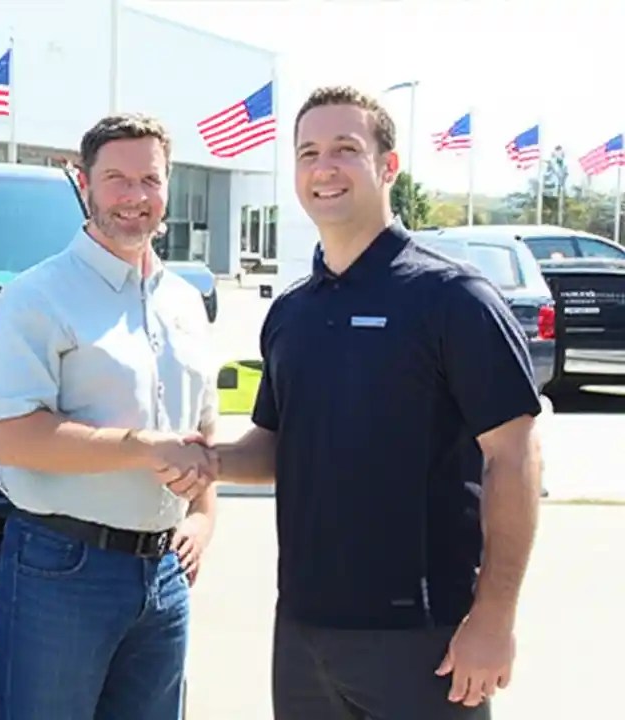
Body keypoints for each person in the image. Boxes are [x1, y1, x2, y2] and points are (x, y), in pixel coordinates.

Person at [211, 85, 544, 719]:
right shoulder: (291, 313)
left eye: (346, 149)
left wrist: (494, 616)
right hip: (303, 634)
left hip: (425, 637)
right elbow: (276, 447)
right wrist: (205, 461)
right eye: (308, 153)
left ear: (388, 166)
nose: (324, 168)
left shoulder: (453, 298)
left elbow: (515, 457)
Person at [0, 113, 222, 719]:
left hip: (164, 575)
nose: (135, 196)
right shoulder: (37, 296)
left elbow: (202, 431)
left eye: (150, 179)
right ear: (84, 183)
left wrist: (203, 517)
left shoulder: (184, 302)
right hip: (64, 567)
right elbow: (14, 438)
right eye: (117, 178)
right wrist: (142, 446)